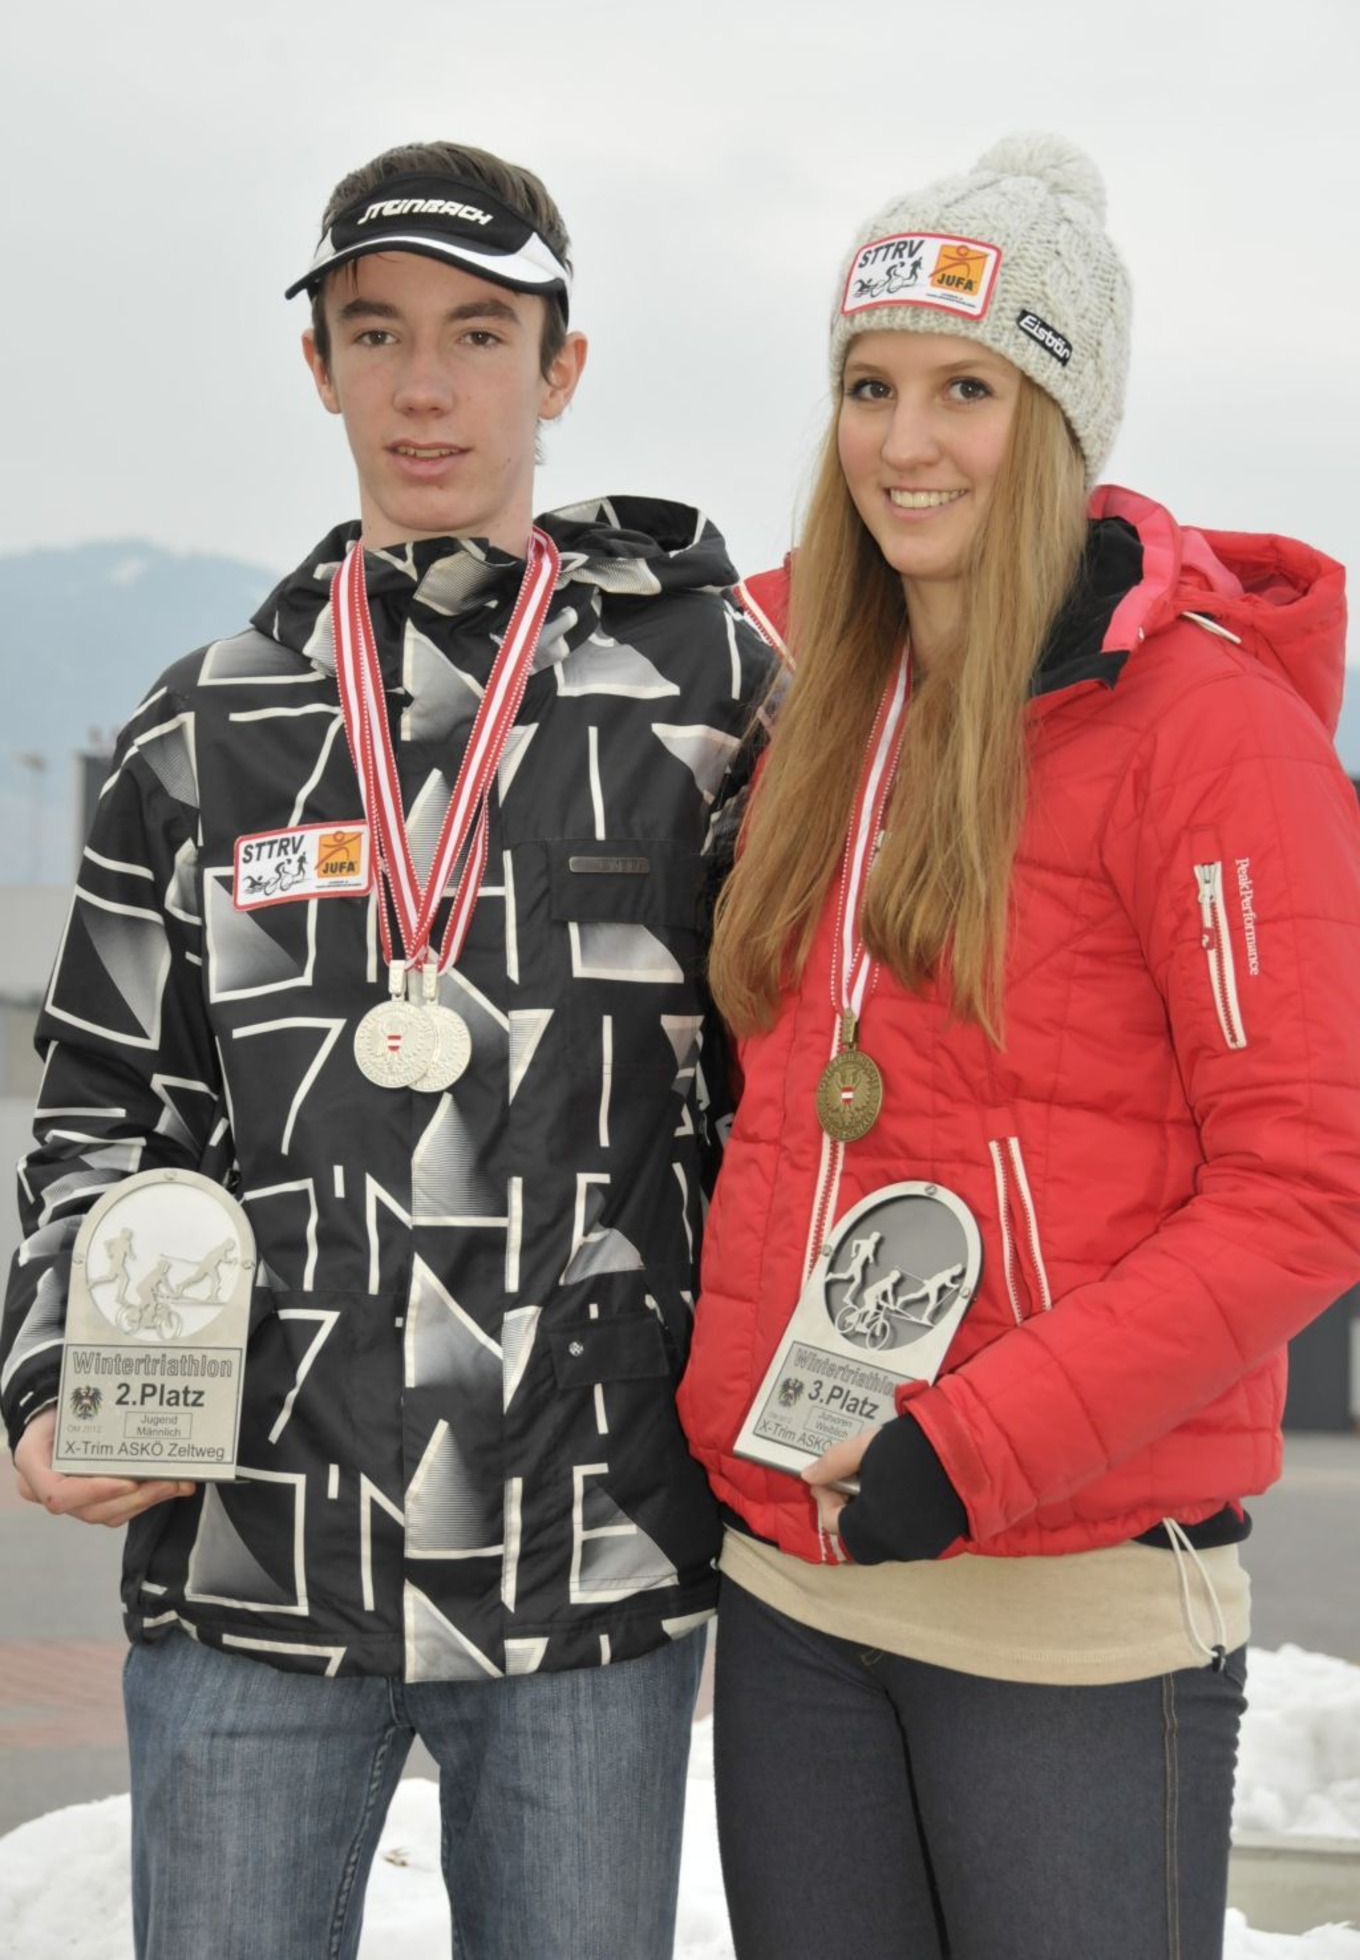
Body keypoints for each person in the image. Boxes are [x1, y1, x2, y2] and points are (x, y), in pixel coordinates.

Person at [2, 138, 770, 1960]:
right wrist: (53, 1366)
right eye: (378, 334)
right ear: (321, 365)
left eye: (478, 335)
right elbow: (100, 1109)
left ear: (559, 368)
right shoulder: (202, 729)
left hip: (590, 1553)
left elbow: (782, 1090)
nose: (426, 386)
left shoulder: (716, 701)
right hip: (253, 1549)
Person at [677, 133, 1360, 1959]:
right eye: (869, 386)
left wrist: (965, 1450)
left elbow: (1304, 1187)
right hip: (797, 1583)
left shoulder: (1208, 733)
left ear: (1062, 418)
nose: (906, 442)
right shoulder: (804, 700)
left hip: (1066, 1605)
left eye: (969, 390)